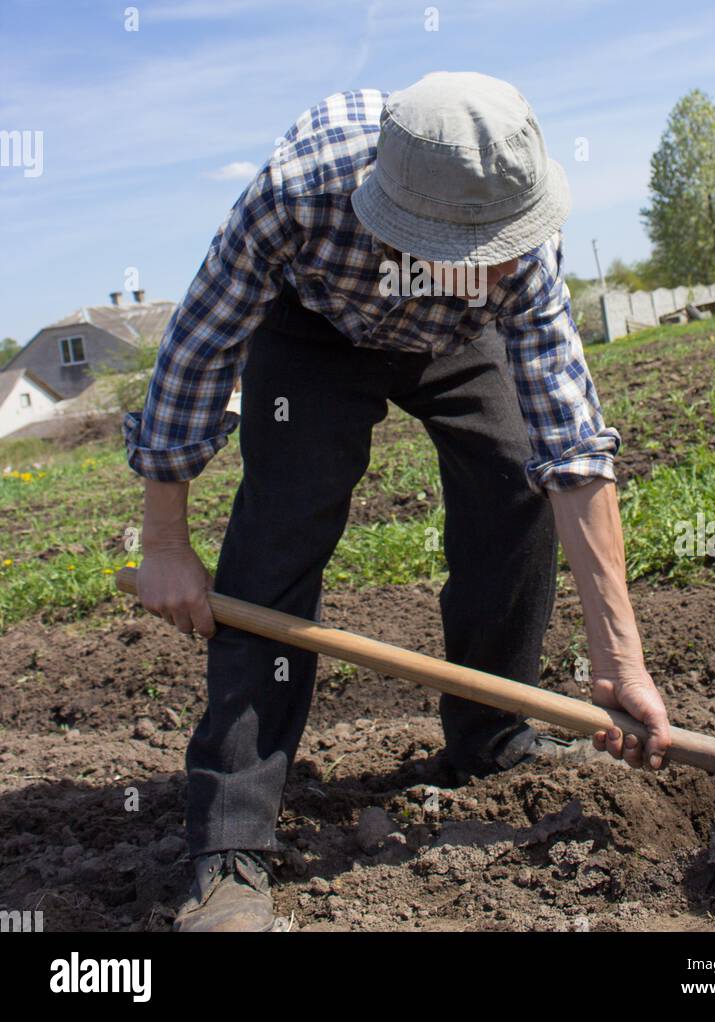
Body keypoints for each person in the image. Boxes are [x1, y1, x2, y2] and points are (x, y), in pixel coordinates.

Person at [124, 70, 671, 932]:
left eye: (503, 248)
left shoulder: (518, 240)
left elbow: (571, 445)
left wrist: (620, 662)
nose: (494, 265)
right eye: (472, 252)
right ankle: (228, 846)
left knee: (514, 478)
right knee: (281, 530)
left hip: (460, 343)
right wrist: (163, 543)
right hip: (316, 331)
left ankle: (491, 746)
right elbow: (197, 354)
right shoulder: (295, 195)